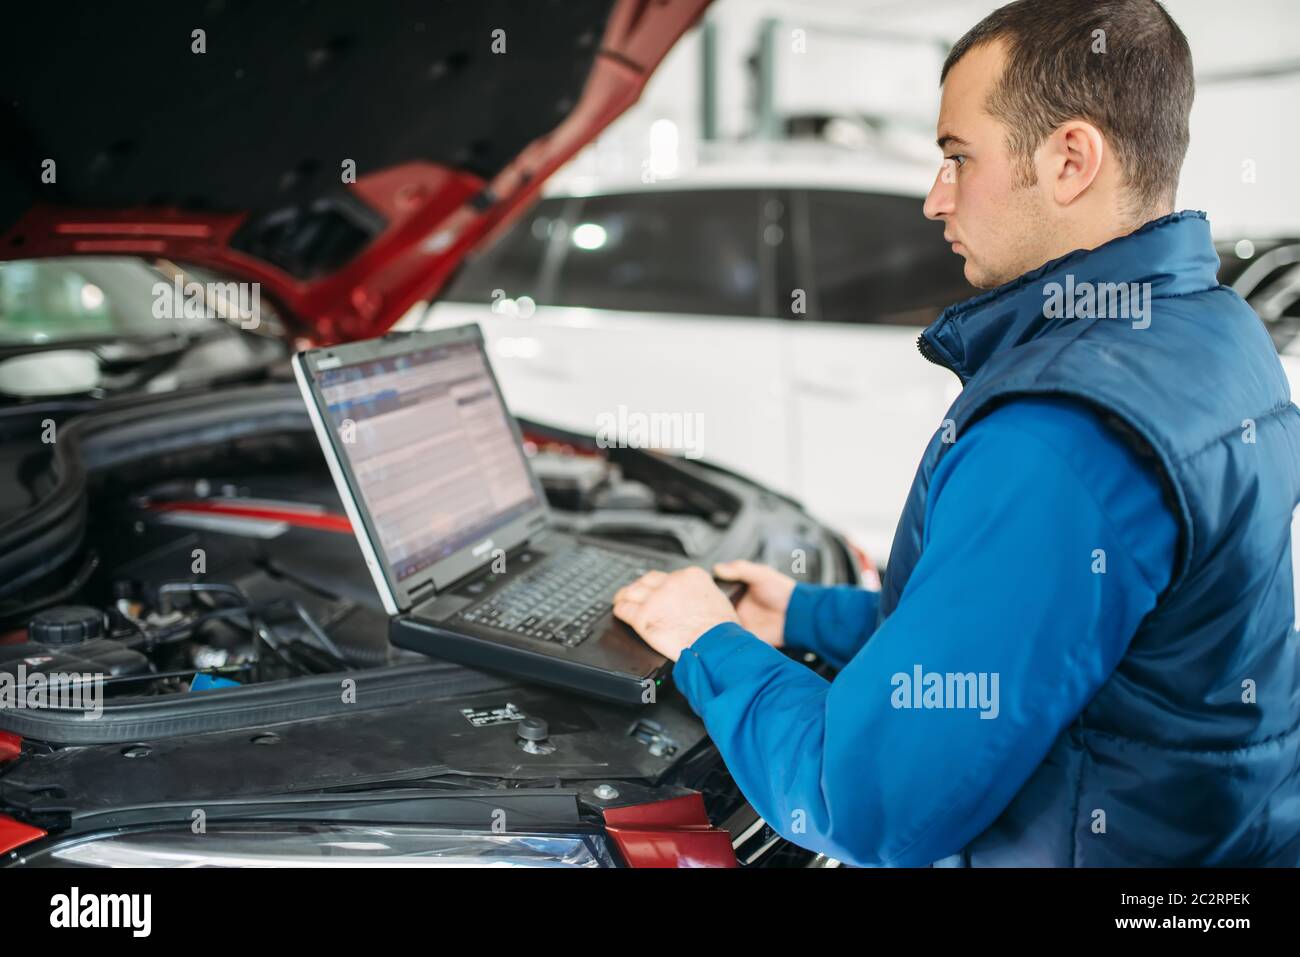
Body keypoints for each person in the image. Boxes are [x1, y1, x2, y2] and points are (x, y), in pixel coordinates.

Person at [612, 0, 1300, 866]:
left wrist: (707, 640)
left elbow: (864, 804)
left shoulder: (1062, 434)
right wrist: (806, 611)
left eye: (956, 157)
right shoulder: (1214, 330)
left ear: (1071, 160)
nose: (936, 200)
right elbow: (1048, 637)